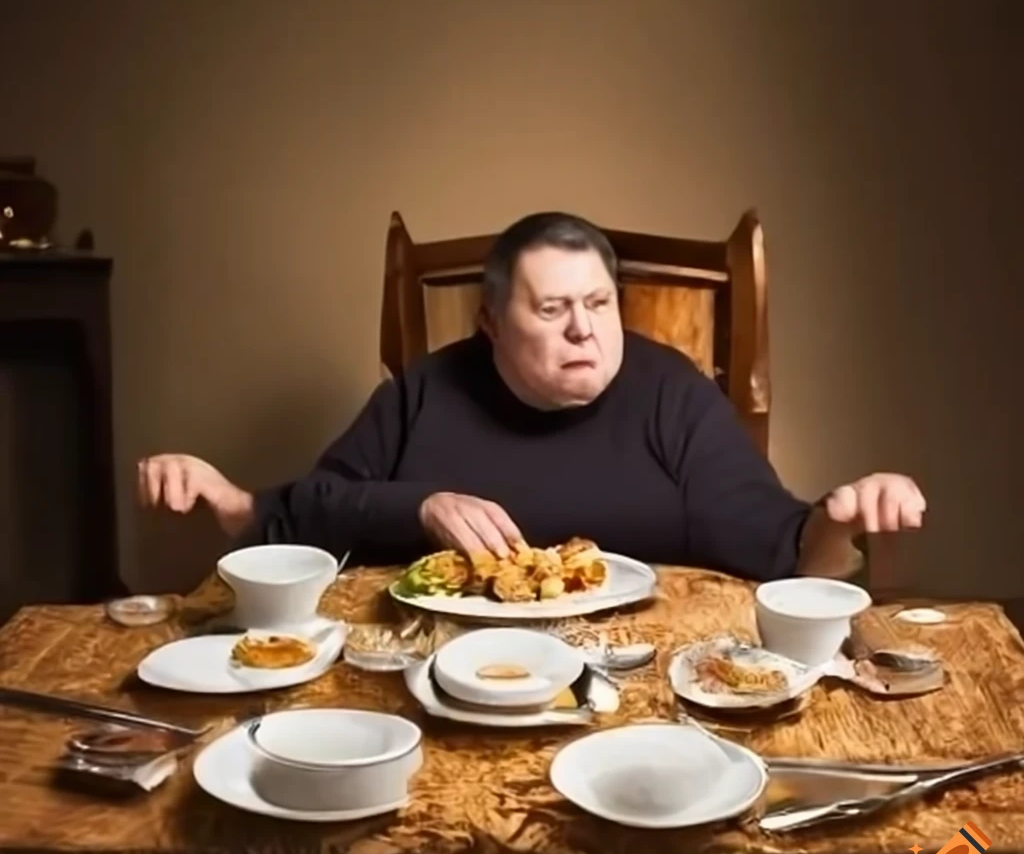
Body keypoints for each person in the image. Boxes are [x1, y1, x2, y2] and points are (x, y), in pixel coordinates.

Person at [138, 211, 926, 582]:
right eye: (552, 310)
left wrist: (841, 517)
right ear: (491, 323)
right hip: (446, 704)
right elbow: (307, 511)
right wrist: (417, 507)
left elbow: (789, 553)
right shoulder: (428, 389)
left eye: (599, 303)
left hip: (640, 708)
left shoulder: (671, 396)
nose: (584, 330)